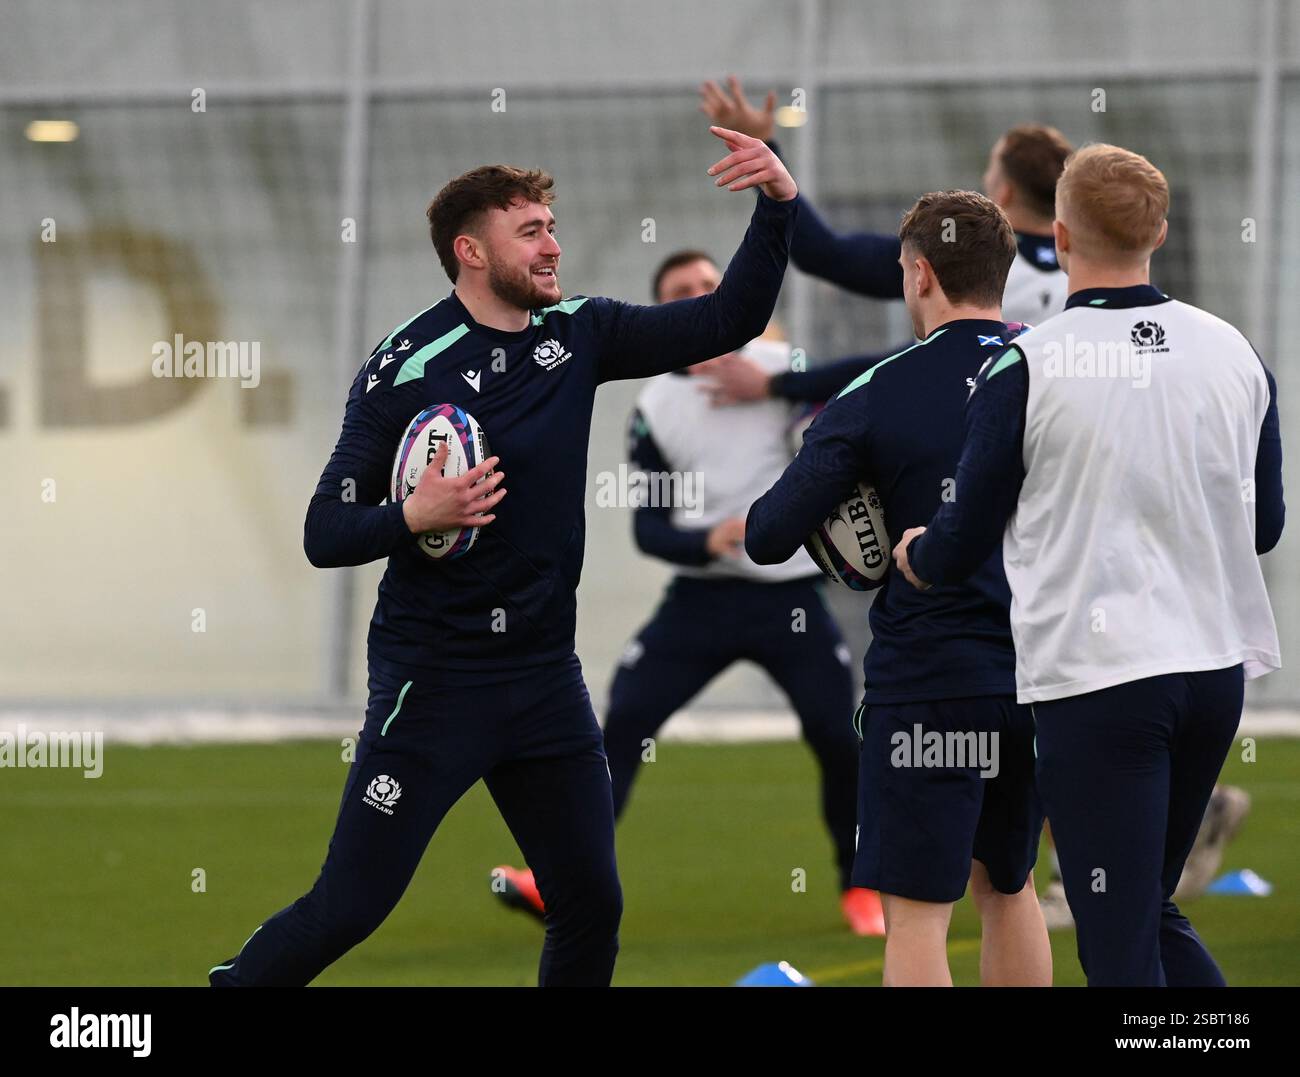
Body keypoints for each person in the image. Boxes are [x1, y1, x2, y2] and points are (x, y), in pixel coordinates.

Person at [208, 126, 800, 987]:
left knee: (591, 904)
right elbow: (323, 530)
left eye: (552, 225)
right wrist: (415, 513)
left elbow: (729, 318)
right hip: (434, 678)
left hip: (544, 679)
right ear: (470, 251)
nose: (554, 244)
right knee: (349, 906)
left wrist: (777, 204)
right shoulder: (404, 368)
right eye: (531, 231)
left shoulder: (582, 332)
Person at [893, 144, 1283, 986]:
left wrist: (917, 553)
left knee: (1116, 941)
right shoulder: (1236, 351)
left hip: (1100, 684)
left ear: (1061, 237)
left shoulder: (1028, 361)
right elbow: (1267, 526)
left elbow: (961, 541)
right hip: (1214, 671)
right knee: (1147, 909)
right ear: (1162, 232)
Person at [493, 249, 883, 937]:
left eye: (710, 284)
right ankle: (557, 882)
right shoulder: (653, 406)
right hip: (701, 598)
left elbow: (873, 377)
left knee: (836, 734)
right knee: (624, 722)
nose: (703, 295)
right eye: (685, 291)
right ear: (667, 310)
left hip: (788, 600)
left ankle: (860, 889)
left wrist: (777, 388)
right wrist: (708, 539)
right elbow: (649, 529)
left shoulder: (778, 364)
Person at [747, 190, 1050, 986]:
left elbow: (767, 532)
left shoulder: (877, 390)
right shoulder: (1059, 367)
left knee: (916, 915)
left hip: (930, 682)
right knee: (1010, 888)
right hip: (1041, 675)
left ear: (918, 275)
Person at [698, 76, 1072, 406]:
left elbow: (823, 255)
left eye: (990, 166)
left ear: (1003, 192)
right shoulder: (1089, 270)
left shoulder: (964, 252)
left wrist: (780, 384)